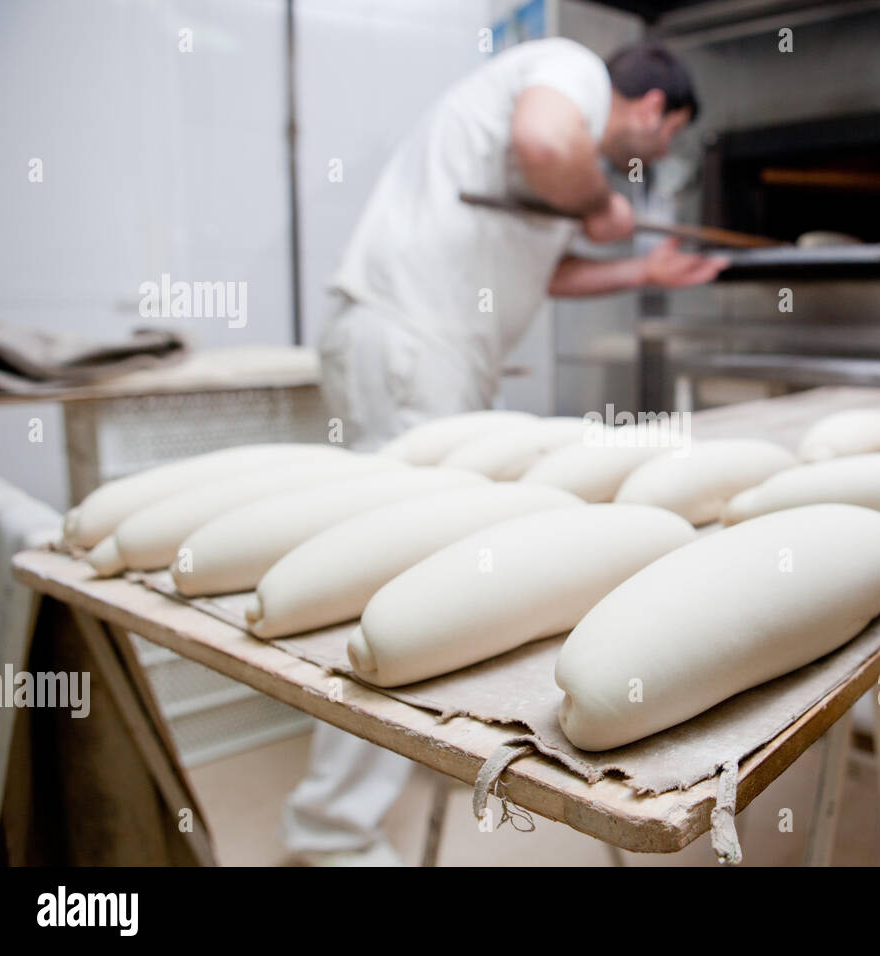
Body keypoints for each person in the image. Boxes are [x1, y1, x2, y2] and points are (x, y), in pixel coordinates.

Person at [284, 38, 726, 865]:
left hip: (416, 346)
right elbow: (545, 143)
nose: (658, 154)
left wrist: (641, 270)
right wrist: (603, 210)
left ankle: (354, 799)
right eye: (668, 137)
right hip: (412, 341)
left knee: (417, 573)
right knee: (402, 579)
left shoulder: (563, 158)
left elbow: (550, 274)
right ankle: (330, 831)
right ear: (655, 107)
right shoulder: (571, 68)